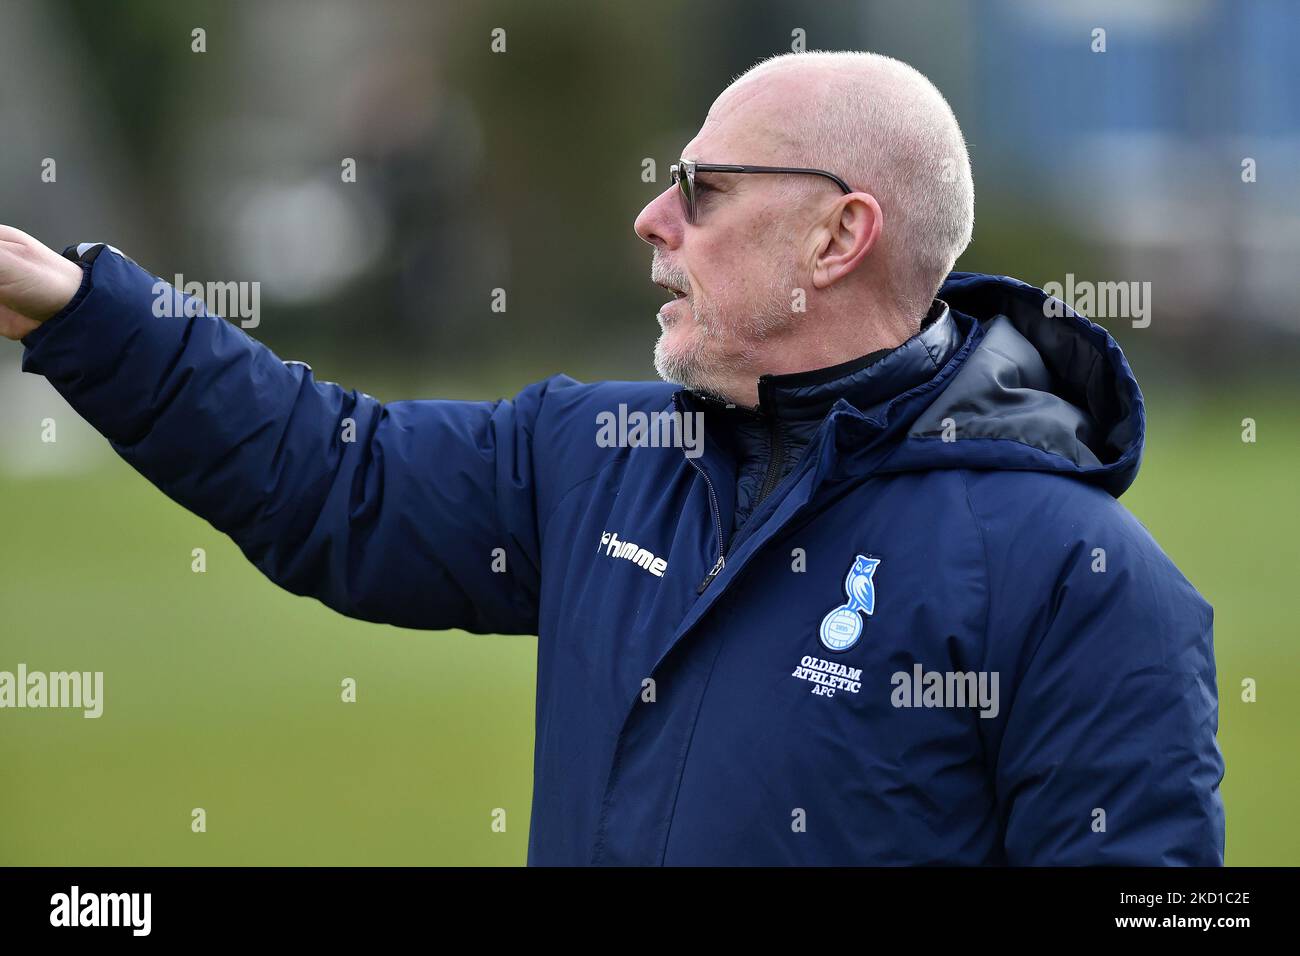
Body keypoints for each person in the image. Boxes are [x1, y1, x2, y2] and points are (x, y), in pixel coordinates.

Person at [0, 50, 1225, 865]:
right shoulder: (594, 455)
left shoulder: (1081, 580)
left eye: (701, 188)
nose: (652, 218)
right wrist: (72, 308)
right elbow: (333, 475)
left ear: (838, 234)